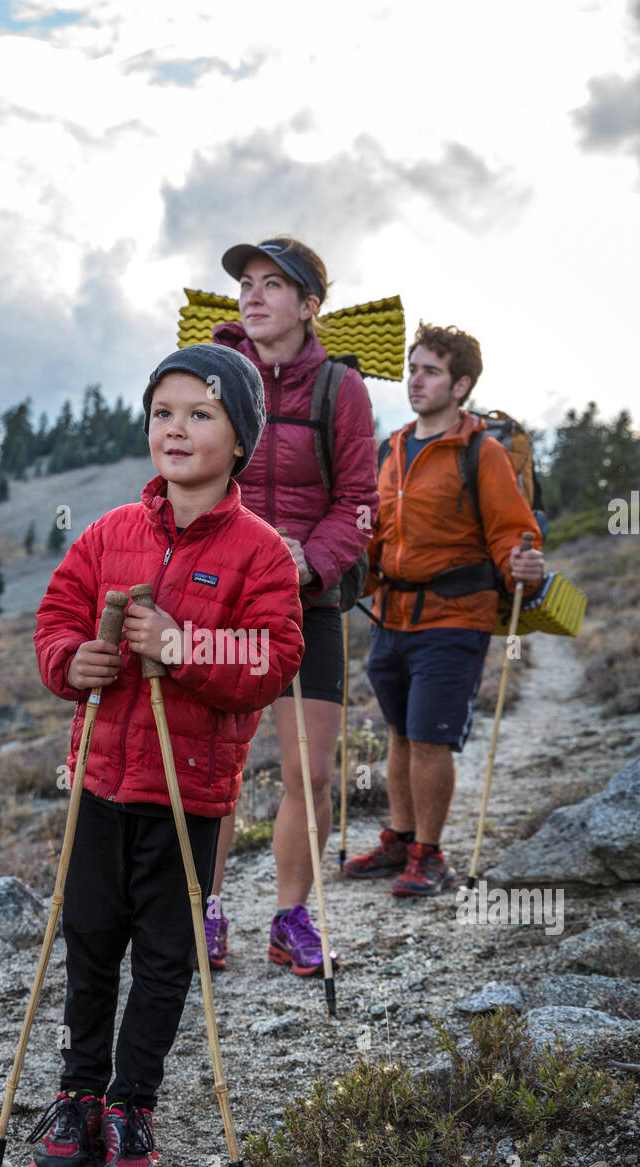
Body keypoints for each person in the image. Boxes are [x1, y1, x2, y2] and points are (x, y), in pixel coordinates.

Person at [30, 344, 303, 1167]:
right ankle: (77, 1092)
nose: (175, 429)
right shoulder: (111, 532)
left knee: (165, 955)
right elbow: (57, 617)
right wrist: (71, 663)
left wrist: (182, 648)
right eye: (163, 413)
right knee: (89, 943)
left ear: (241, 439)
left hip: (188, 796)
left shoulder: (261, 553)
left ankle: (132, 1103)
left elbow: (271, 659)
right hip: (100, 789)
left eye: (200, 413)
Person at [203, 236, 379, 976]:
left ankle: (289, 920)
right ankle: (202, 913)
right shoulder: (212, 377)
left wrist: (313, 555)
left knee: (309, 774)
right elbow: (188, 470)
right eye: (247, 281)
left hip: (309, 604)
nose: (253, 294)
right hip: (225, 602)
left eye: (273, 284)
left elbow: (360, 502)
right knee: (211, 768)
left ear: (309, 307)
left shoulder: (342, 389)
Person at [343, 322, 544, 895]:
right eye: (412, 369)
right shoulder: (393, 450)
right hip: (392, 615)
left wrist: (523, 569)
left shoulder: (482, 452)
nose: (415, 380)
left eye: (430, 371)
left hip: (456, 618)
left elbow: (512, 532)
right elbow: (375, 533)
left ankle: (431, 857)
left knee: (430, 737)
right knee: (400, 734)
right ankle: (402, 841)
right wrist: (353, 575)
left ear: (462, 385)